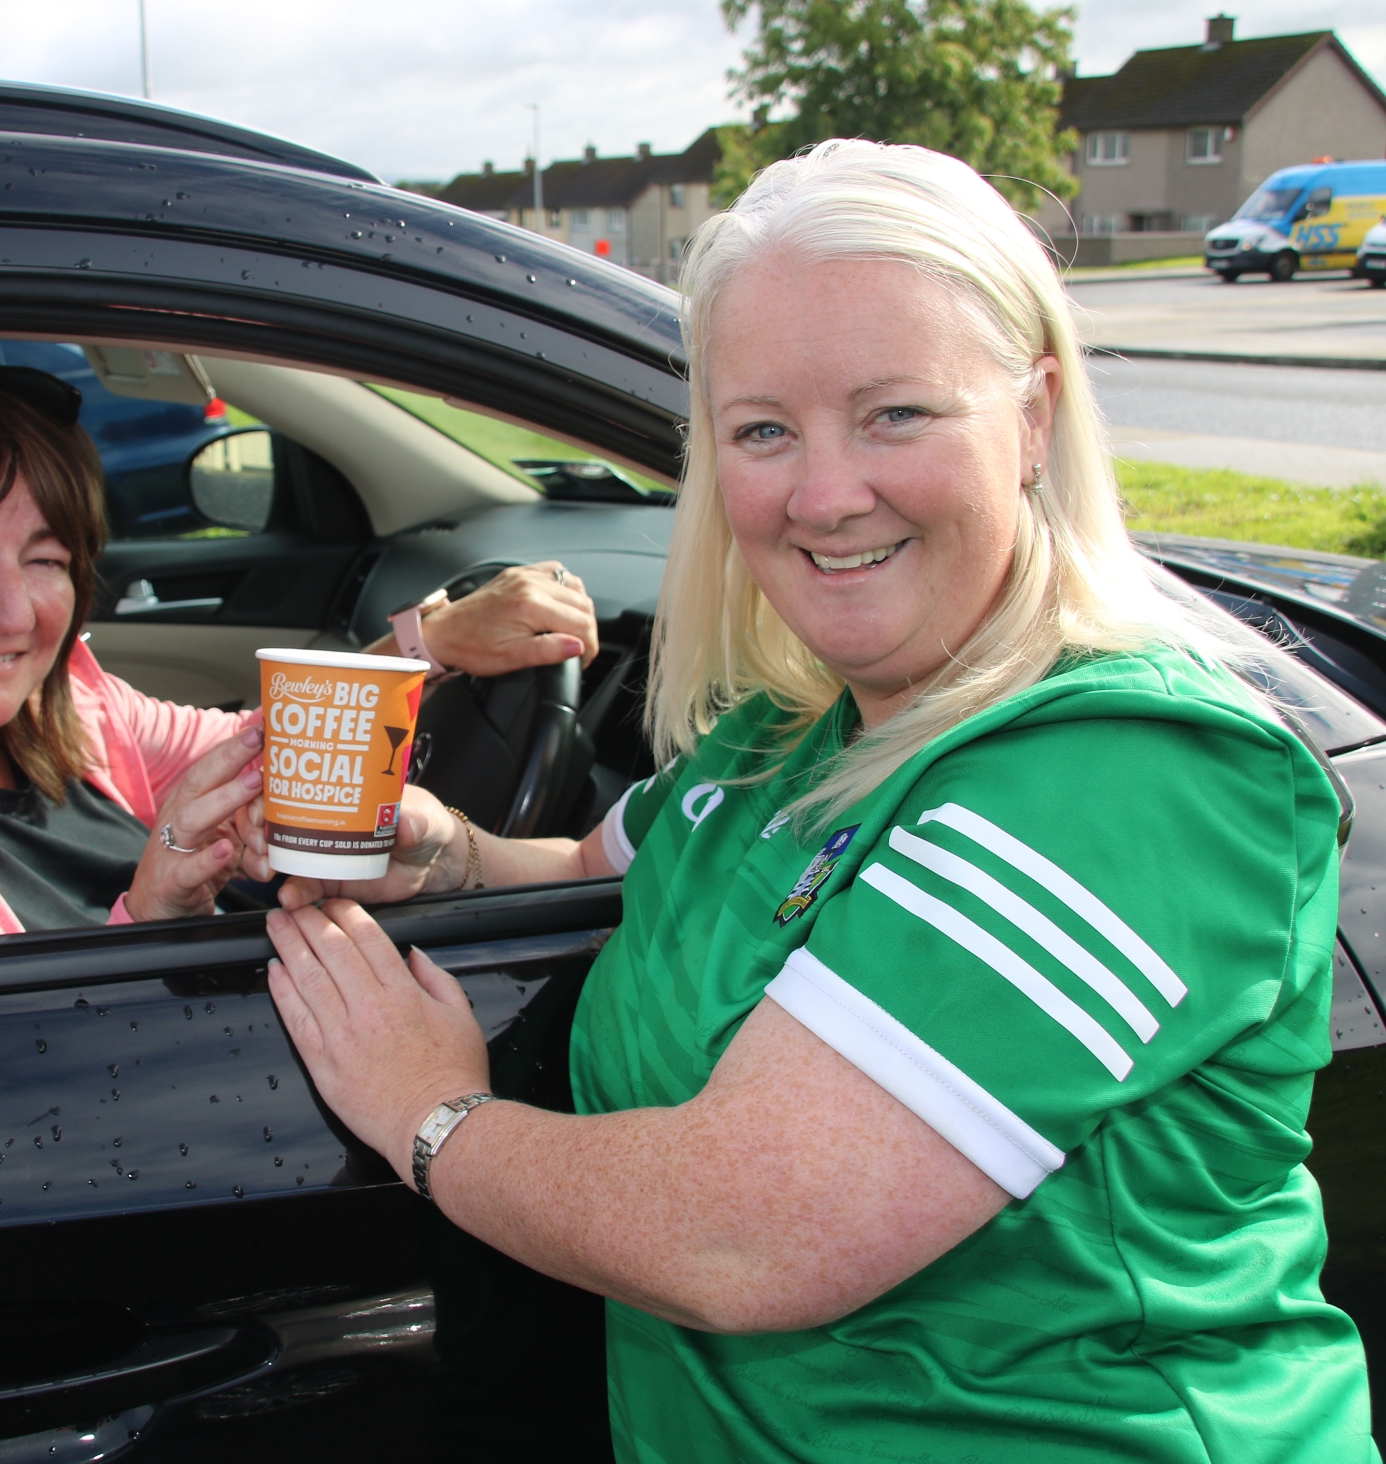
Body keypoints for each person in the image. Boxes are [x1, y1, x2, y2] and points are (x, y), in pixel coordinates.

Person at [259, 140, 1377, 1462]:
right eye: (765, 431)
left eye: (896, 413)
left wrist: (432, 1117)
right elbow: (591, 866)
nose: (824, 495)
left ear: (1032, 414)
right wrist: (443, 856)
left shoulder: (1125, 771)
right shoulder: (786, 737)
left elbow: (743, 1232)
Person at [0, 344, 599, 956]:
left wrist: (427, 640)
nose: (11, 612)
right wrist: (150, 920)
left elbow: (262, 749)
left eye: (46, 558)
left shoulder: (62, 712)